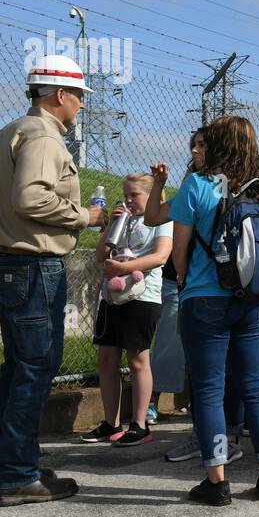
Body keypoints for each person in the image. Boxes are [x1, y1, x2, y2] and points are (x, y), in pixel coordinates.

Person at [0, 54, 105, 505]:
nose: (82, 106)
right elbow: (30, 198)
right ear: (60, 95)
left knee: (17, 369)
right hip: (33, 265)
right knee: (35, 369)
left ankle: (4, 468)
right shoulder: (44, 139)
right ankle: (17, 476)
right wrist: (84, 217)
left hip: (10, 262)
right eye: (79, 97)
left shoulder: (9, 132)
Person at [168, 115, 259, 505]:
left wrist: (184, 280)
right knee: (253, 384)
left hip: (205, 298)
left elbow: (178, 249)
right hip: (251, 300)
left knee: (209, 389)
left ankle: (217, 481)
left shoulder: (197, 185)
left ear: (214, 144)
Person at [81, 172, 172, 447]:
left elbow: (161, 256)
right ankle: (111, 423)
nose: (129, 200)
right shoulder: (124, 219)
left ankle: (140, 423)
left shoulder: (161, 219)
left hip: (143, 295)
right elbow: (100, 255)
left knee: (137, 359)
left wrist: (125, 267)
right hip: (113, 295)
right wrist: (112, 226)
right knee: (107, 358)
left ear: (149, 195)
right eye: (126, 195)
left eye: (135, 195)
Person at [144, 128, 205, 433]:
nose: (194, 151)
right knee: (168, 343)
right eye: (192, 145)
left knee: (205, 349)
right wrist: (159, 185)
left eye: (201, 146)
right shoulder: (190, 186)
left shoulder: (223, 187)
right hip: (179, 282)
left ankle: (203, 406)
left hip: (203, 283)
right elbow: (153, 217)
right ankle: (153, 401)